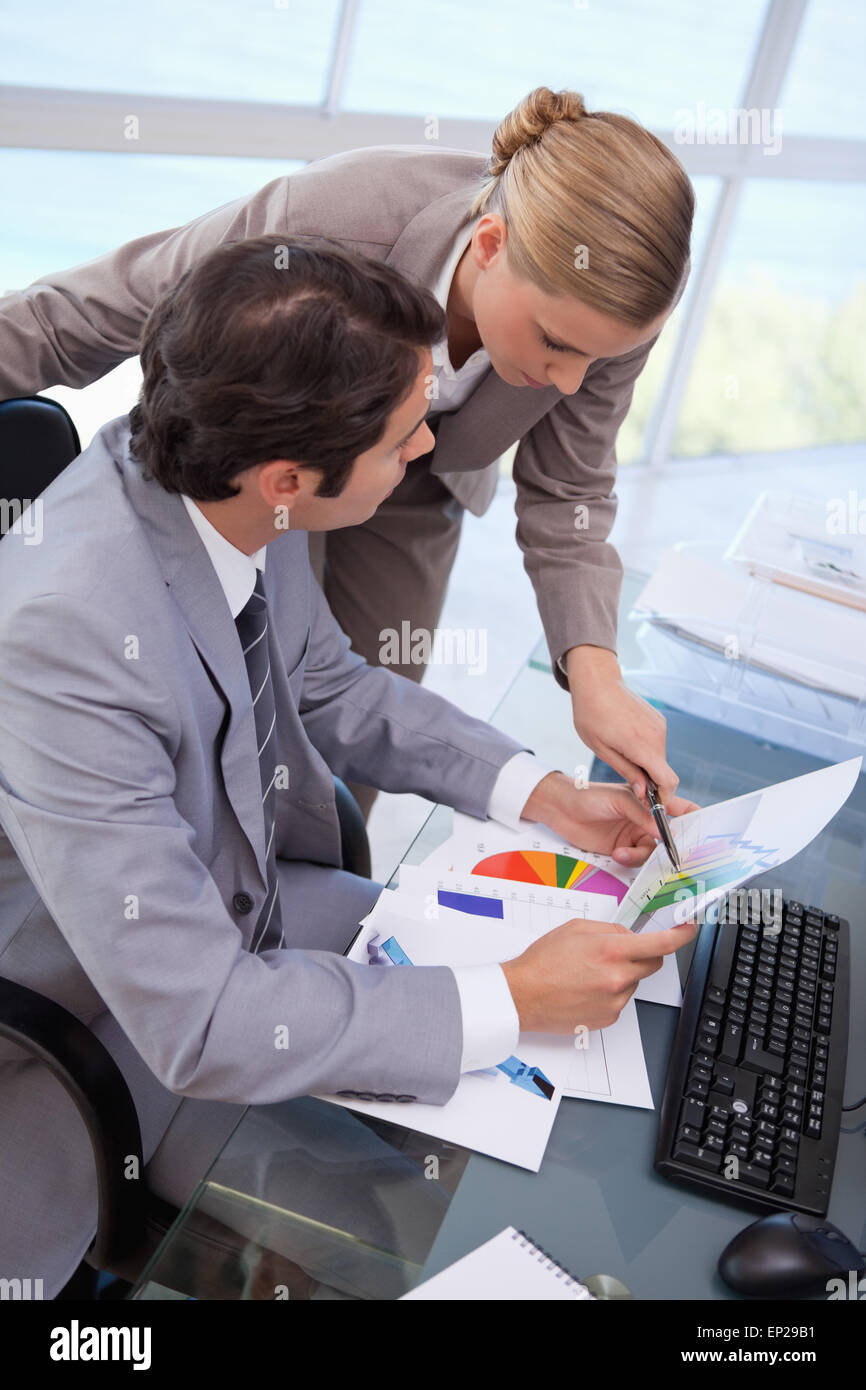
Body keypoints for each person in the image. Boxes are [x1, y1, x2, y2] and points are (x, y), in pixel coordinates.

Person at [0, 235, 698, 1298]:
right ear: (288, 478)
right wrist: (509, 994)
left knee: (588, 1118)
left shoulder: (233, 471)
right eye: (404, 432)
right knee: (460, 1240)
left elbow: (326, 681)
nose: (427, 446)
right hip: (109, 1023)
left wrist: (542, 792)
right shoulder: (67, 637)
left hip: (246, 917)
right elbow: (195, 1019)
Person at [0, 85, 695, 821]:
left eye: (596, 360)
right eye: (555, 344)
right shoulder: (329, 217)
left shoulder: (611, 310)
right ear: (489, 245)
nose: (568, 383)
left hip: (428, 484)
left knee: (356, 718)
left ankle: (304, 881)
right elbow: (86, 313)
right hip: (262, 463)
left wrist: (596, 674)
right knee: (206, 693)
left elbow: (569, 492)